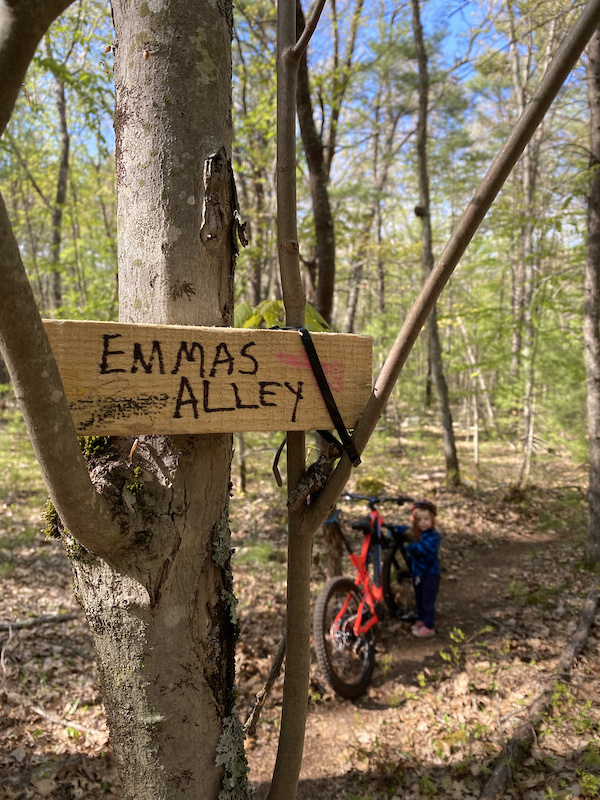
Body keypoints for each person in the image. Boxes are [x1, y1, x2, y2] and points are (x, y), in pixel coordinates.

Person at [404, 499, 441, 638]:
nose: (423, 522)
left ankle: (429, 626)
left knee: (427, 601)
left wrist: (412, 547)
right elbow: (404, 530)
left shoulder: (433, 536)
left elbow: (425, 550)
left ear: (432, 520)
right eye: (419, 519)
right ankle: (421, 620)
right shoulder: (418, 534)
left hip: (430, 575)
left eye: (426, 519)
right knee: (419, 599)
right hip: (418, 573)